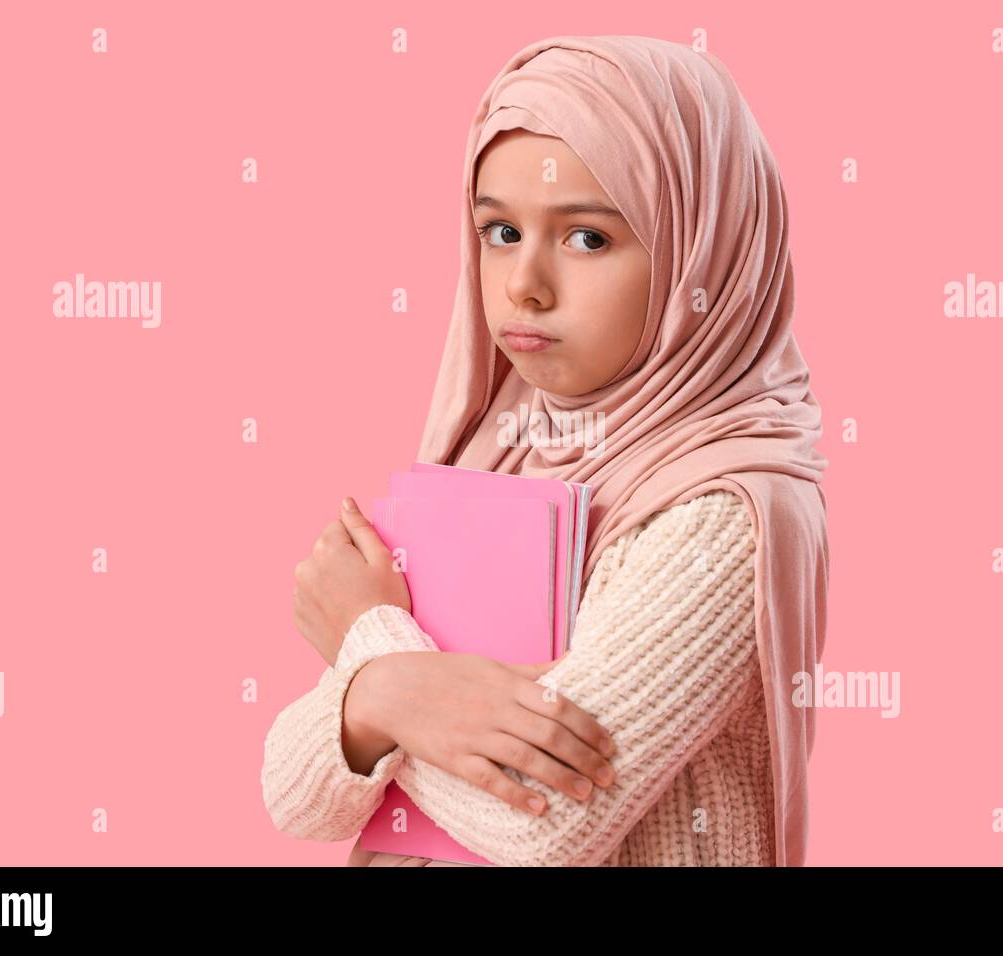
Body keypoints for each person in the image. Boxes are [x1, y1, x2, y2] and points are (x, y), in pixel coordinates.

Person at [261, 34, 830, 867]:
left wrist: (375, 666)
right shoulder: (494, 449)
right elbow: (295, 794)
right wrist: (392, 687)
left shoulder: (724, 511)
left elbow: (544, 823)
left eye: (587, 238)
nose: (524, 281)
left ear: (700, 251)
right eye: (498, 230)